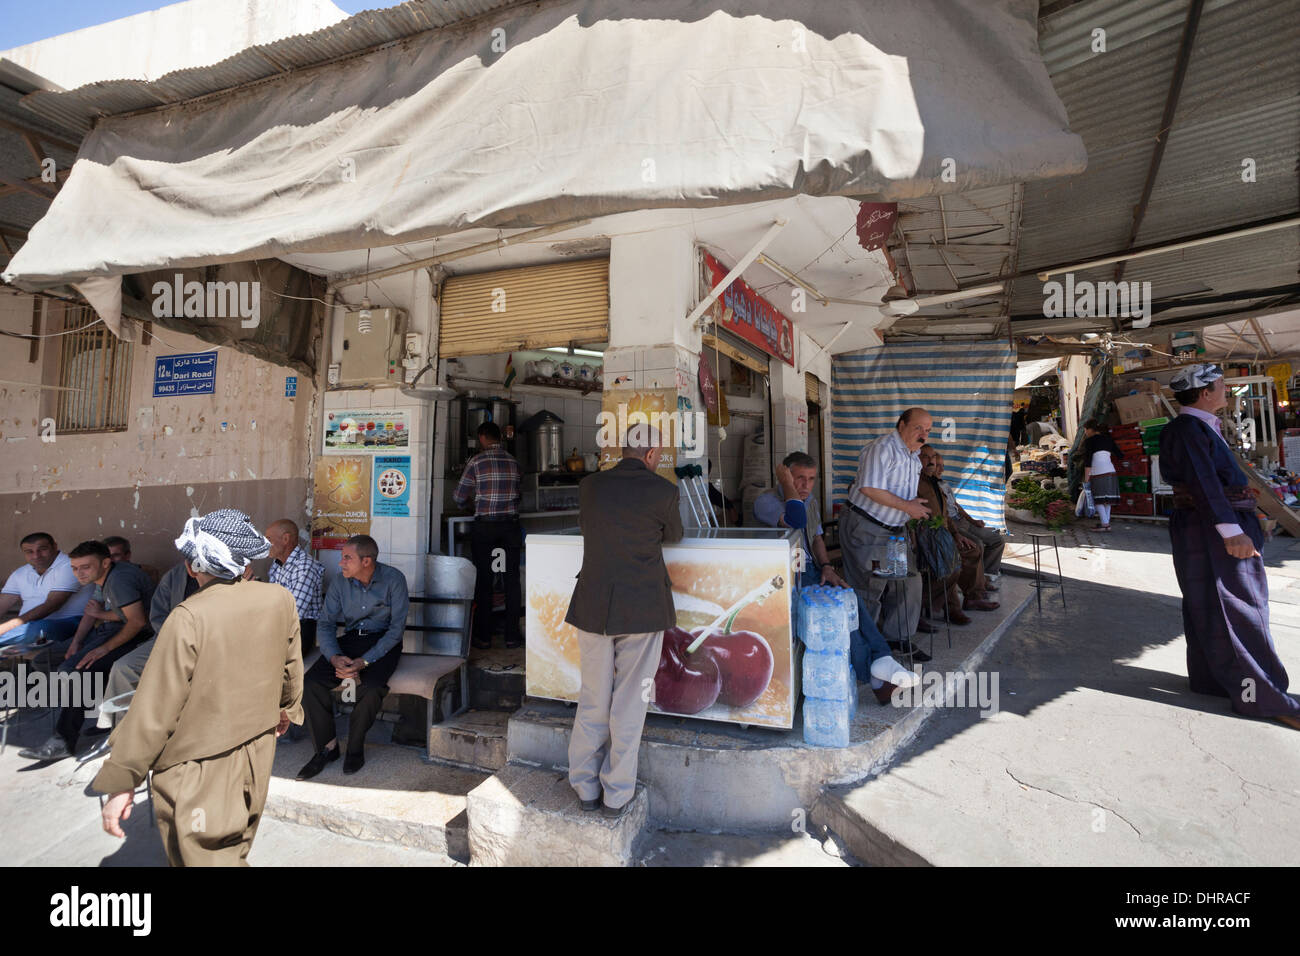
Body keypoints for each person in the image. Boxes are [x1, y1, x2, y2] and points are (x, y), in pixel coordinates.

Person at [94, 509, 302, 866]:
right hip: (258, 750)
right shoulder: (278, 598)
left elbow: (154, 708)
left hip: (199, 764)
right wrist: (285, 710)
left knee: (205, 856)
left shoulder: (188, 616)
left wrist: (122, 779)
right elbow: (290, 668)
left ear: (192, 567)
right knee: (237, 845)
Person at [1158, 364, 1300, 731]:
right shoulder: (1188, 429)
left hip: (1207, 526)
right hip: (1211, 529)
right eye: (1222, 385)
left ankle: (1216, 681)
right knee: (1241, 607)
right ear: (1205, 392)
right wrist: (1232, 532)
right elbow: (1205, 484)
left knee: (1209, 602)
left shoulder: (1199, 427)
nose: (1226, 390)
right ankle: (1262, 699)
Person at [565, 423, 682, 817]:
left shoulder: (590, 486)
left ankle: (584, 788)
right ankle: (616, 795)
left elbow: (588, 528)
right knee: (631, 702)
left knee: (593, 698)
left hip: (594, 605)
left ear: (620, 449)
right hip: (643, 609)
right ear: (652, 454)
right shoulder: (664, 491)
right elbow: (675, 536)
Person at [754, 452, 917, 703]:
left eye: (810, 479)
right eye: (798, 478)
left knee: (850, 595)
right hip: (785, 573)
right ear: (784, 475)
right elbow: (795, 520)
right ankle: (874, 676)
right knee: (838, 610)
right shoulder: (766, 501)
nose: (805, 486)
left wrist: (828, 566)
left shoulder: (810, 502)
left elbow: (817, 538)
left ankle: (883, 660)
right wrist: (787, 486)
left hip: (812, 570)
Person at [18, 541, 154, 762]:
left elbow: (138, 622)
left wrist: (104, 649)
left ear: (105, 562)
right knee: (48, 661)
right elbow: (91, 611)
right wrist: (77, 642)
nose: (78, 573)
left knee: (78, 672)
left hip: (139, 636)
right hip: (110, 631)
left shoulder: (119, 579)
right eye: (74, 568)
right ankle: (103, 716)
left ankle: (63, 740)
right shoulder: (102, 577)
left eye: (85, 567)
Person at [297, 534, 409, 779]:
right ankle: (327, 748)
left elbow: (395, 631)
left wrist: (364, 661)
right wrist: (335, 656)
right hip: (349, 641)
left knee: (371, 688)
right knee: (311, 683)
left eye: (347, 558)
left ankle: (355, 748)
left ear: (366, 561)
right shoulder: (340, 582)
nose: (341, 563)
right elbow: (325, 624)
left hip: (383, 644)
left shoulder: (394, 580)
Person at [838, 408, 932, 658]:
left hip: (894, 531)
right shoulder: (883, 448)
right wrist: (907, 507)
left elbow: (900, 493)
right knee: (871, 587)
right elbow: (869, 488)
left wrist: (913, 512)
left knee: (907, 581)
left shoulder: (913, 455)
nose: (923, 435)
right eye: (918, 428)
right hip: (868, 527)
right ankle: (862, 649)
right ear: (901, 425)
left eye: (928, 430)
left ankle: (897, 639)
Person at [454, 421, 523, 649]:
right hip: (510, 526)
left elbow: (459, 496)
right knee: (511, 580)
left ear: (483, 437)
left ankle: (483, 637)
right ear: (499, 437)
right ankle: (512, 636)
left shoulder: (477, 461)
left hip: (485, 527)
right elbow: (518, 494)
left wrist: (469, 505)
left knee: (484, 579)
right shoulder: (513, 461)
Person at [916, 445, 998, 624]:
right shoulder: (914, 481)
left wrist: (956, 535)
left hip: (944, 535)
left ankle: (972, 597)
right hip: (926, 539)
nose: (931, 461)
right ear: (916, 458)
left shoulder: (935, 483)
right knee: (952, 564)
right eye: (925, 457)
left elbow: (946, 515)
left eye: (932, 458)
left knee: (972, 550)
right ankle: (930, 607)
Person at [0, 532, 91, 646]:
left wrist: (8, 627)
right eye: (29, 552)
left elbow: (52, 605)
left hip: (67, 624)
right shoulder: (20, 573)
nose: (36, 556)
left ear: (55, 546)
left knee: (36, 629)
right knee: (20, 646)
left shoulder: (70, 565)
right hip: (25, 628)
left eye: (42, 549)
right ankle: (21, 663)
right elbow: (3, 603)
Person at [935, 452, 1005, 587]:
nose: (941, 469)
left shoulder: (944, 484)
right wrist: (955, 532)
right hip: (952, 525)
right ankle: (977, 584)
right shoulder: (930, 488)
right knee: (976, 544)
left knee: (997, 540)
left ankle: (987, 575)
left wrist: (973, 521)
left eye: (942, 466)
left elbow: (956, 505)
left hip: (962, 521)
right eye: (938, 466)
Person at [266, 519, 324, 657]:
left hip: (299, 630)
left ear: (286, 539)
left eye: (268, 539)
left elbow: (294, 614)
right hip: (278, 623)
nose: (264, 544)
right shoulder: (277, 563)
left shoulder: (305, 566)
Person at [1082, 419, 1122, 532]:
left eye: (1085, 430)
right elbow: (1120, 455)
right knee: (1106, 500)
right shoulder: (1108, 439)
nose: (1085, 432)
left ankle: (1105, 524)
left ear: (1090, 429)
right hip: (1111, 471)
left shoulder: (1090, 441)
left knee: (1097, 499)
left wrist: (1086, 478)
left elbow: (1088, 462)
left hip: (1098, 473)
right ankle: (1106, 523)